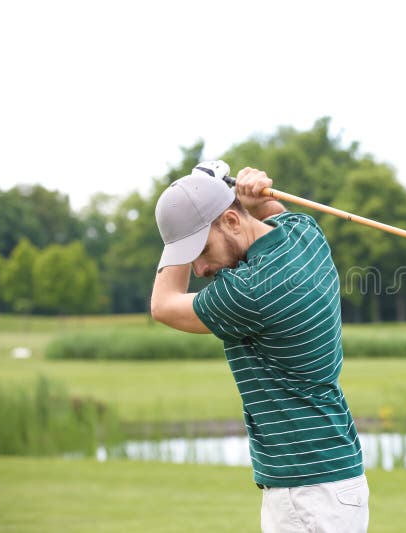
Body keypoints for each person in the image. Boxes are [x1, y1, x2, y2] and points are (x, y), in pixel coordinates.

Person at [150, 161, 368, 533]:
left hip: (305, 492)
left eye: (198, 250)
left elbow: (163, 305)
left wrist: (179, 234)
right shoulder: (305, 235)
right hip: (335, 479)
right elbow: (273, 219)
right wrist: (252, 198)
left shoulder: (249, 292)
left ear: (232, 222)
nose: (199, 269)